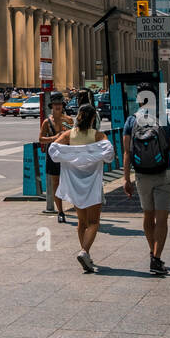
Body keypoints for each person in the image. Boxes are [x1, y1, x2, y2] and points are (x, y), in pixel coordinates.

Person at [123, 82, 170, 277]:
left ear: (139, 99)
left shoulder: (131, 121)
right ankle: (156, 259)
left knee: (147, 216)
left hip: (142, 175)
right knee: (162, 219)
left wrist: (126, 178)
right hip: (163, 174)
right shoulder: (165, 120)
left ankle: (154, 253)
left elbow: (127, 152)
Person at [47, 104, 113, 273]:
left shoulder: (69, 135)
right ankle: (84, 251)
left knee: (82, 222)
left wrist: (71, 157)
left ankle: (86, 253)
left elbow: (53, 149)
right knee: (94, 222)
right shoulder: (98, 135)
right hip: (92, 183)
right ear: (93, 119)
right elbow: (109, 153)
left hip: (74, 183)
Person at [38, 92, 73, 223]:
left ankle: (77, 207)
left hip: (66, 154)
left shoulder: (69, 120)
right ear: (51, 106)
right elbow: (41, 139)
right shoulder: (47, 122)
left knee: (70, 181)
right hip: (53, 155)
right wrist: (55, 137)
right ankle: (60, 211)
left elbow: (74, 136)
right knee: (55, 183)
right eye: (55, 104)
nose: (58, 106)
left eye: (60, 104)